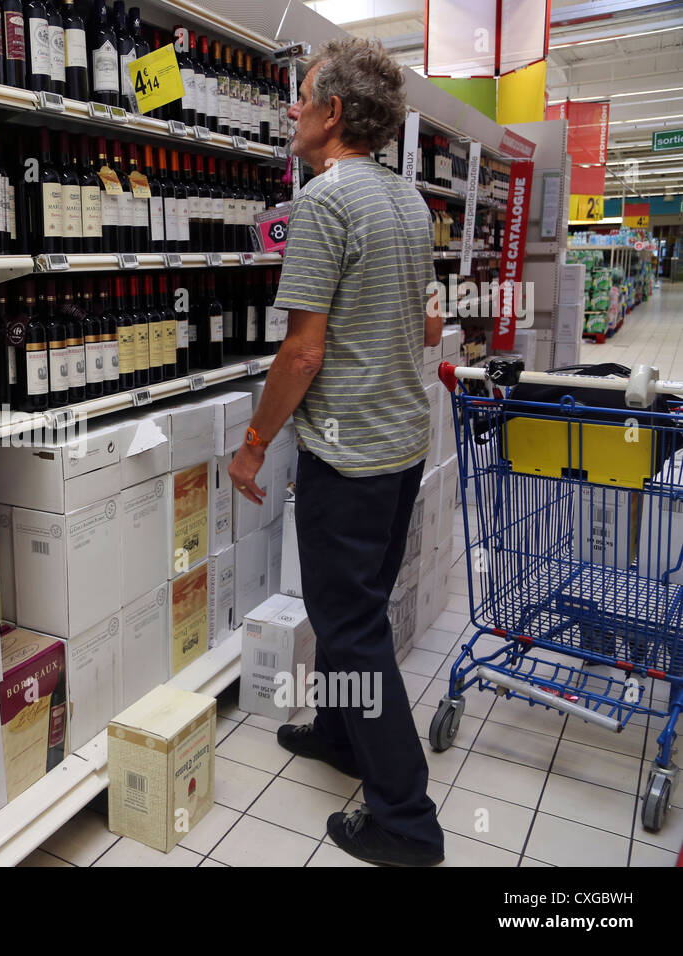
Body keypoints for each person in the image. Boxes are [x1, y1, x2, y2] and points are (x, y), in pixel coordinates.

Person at [227, 36, 445, 867]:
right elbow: (425, 323)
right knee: (358, 613)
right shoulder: (408, 198)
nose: (291, 108)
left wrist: (251, 445)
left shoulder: (324, 202)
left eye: (303, 94)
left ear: (334, 114)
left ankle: (406, 822)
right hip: (396, 448)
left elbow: (302, 354)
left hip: (347, 460)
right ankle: (343, 735)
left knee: (350, 629)